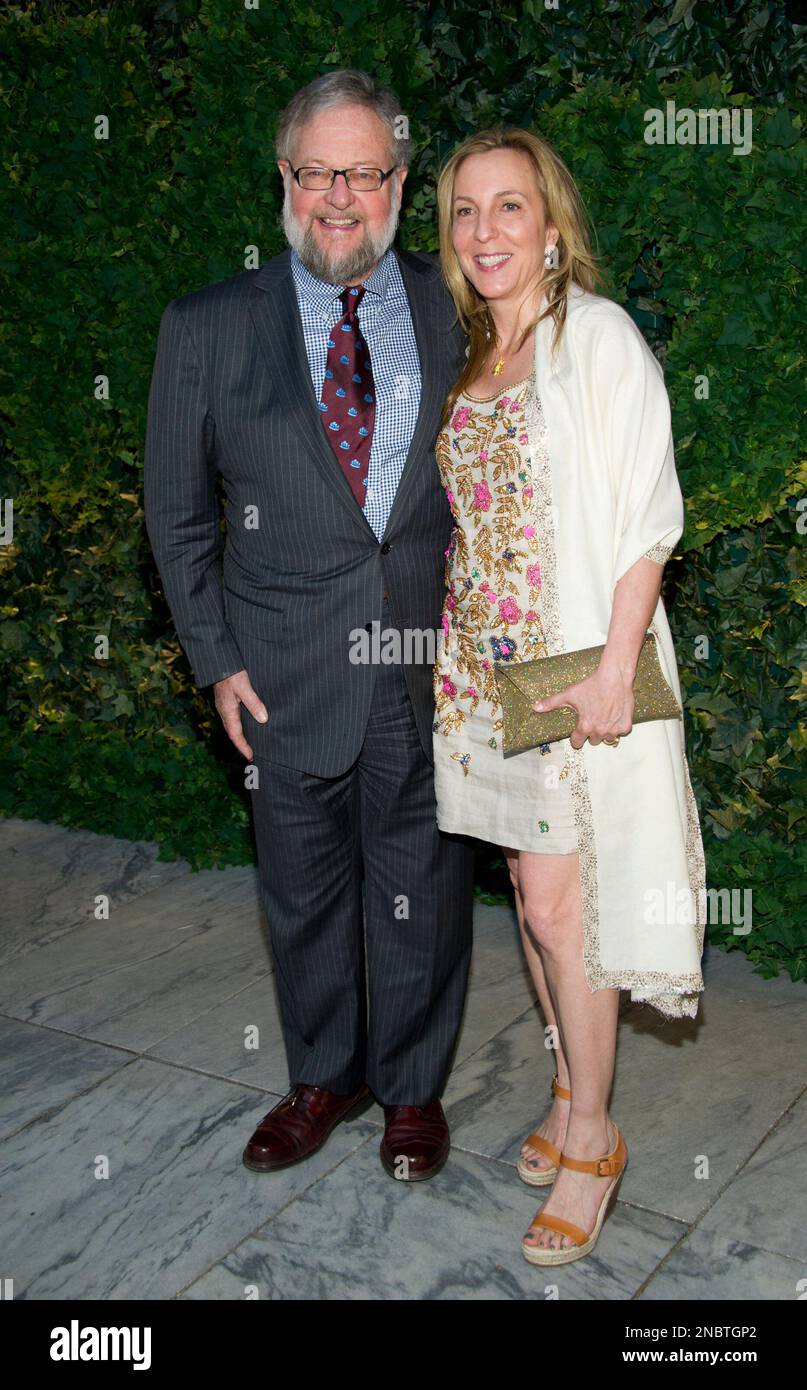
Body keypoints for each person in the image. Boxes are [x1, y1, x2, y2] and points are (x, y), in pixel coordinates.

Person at [143, 69, 475, 1184]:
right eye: (318, 171)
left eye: (366, 171)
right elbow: (177, 514)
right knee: (302, 889)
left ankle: (414, 1090)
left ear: (398, 180)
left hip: (426, 662)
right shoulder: (205, 327)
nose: (341, 195)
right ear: (284, 179)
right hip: (279, 674)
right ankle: (324, 1077)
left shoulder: (457, 304)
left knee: (423, 885)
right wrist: (216, 660)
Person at [430, 127, 707, 1264]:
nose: (485, 231)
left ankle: (594, 1135)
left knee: (558, 907)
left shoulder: (592, 337)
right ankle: (560, 1086)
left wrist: (609, 671)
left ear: (551, 228)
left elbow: (649, 515)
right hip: (479, 675)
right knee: (531, 898)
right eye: (464, 210)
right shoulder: (478, 356)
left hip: (567, 675)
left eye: (510, 208)